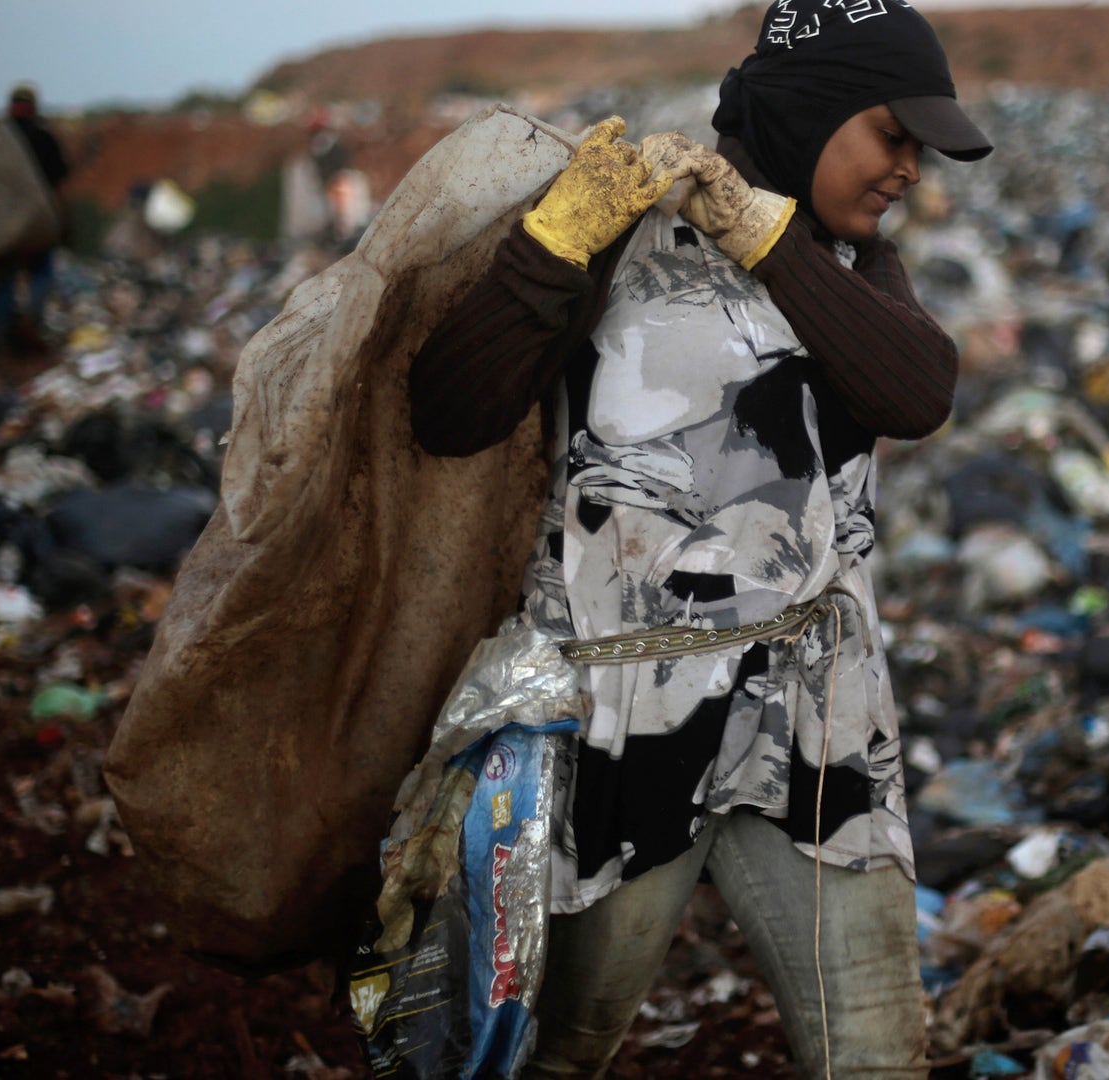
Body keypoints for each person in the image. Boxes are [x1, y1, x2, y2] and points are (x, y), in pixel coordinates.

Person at [406, 3, 989, 1075]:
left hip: (815, 718)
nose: (909, 167)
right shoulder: (612, 240)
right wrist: (548, 249)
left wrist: (770, 242)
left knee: (874, 1042)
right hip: (623, 727)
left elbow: (914, 393)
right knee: (556, 1044)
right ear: (813, 113)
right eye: (892, 135)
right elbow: (448, 414)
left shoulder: (854, 268)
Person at [0, 81, 69, 351]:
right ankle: (30, 323)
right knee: (41, 272)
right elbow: (57, 184)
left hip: (3, 220)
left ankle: (2, 329)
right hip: (36, 220)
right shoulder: (43, 138)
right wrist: (62, 220)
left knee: (5, 274)